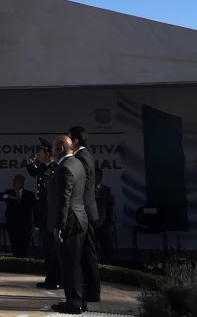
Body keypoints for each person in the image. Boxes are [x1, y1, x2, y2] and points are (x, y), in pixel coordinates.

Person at [49, 135, 89, 315]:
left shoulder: (64, 167)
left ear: (60, 149)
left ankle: (73, 303)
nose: (51, 151)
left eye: (53, 147)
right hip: (80, 218)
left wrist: (59, 226)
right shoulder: (78, 163)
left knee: (69, 264)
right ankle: (80, 300)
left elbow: (64, 199)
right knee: (77, 263)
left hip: (70, 221)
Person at [68, 127, 100, 306]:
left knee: (86, 254)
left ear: (75, 141)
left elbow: (81, 185)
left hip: (84, 212)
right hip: (85, 211)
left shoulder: (81, 158)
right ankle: (91, 291)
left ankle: (91, 291)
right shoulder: (84, 156)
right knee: (87, 253)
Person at [27, 139, 59, 289]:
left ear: (47, 153)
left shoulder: (55, 168)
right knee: (47, 248)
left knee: (53, 248)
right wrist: (30, 163)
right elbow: (34, 172)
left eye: (40, 151)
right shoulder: (42, 168)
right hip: (43, 214)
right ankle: (51, 278)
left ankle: (57, 279)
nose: (37, 154)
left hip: (51, 214)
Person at [0, 174, 36, 257]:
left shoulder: (30, 195)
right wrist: (8, 196)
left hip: (26, 225)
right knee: (15, 246)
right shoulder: (9, 192)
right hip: (13, 224)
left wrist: (36, 225)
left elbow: (35, 209)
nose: (14, 183)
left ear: (22, 183)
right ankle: (16, 260)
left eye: (16, 181)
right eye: (13, 181)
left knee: (24, 247)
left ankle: (23, 261)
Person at [94, 171, 116, 264]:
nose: (95, 178)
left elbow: (110, 207)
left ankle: (107, 264)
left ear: (100, 177)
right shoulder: (87, 189)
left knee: (106, 245)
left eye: (96, 176)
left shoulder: (107, 190)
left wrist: (111, 223)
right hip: (91, 222)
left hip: (104, 222)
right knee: (92, 245)